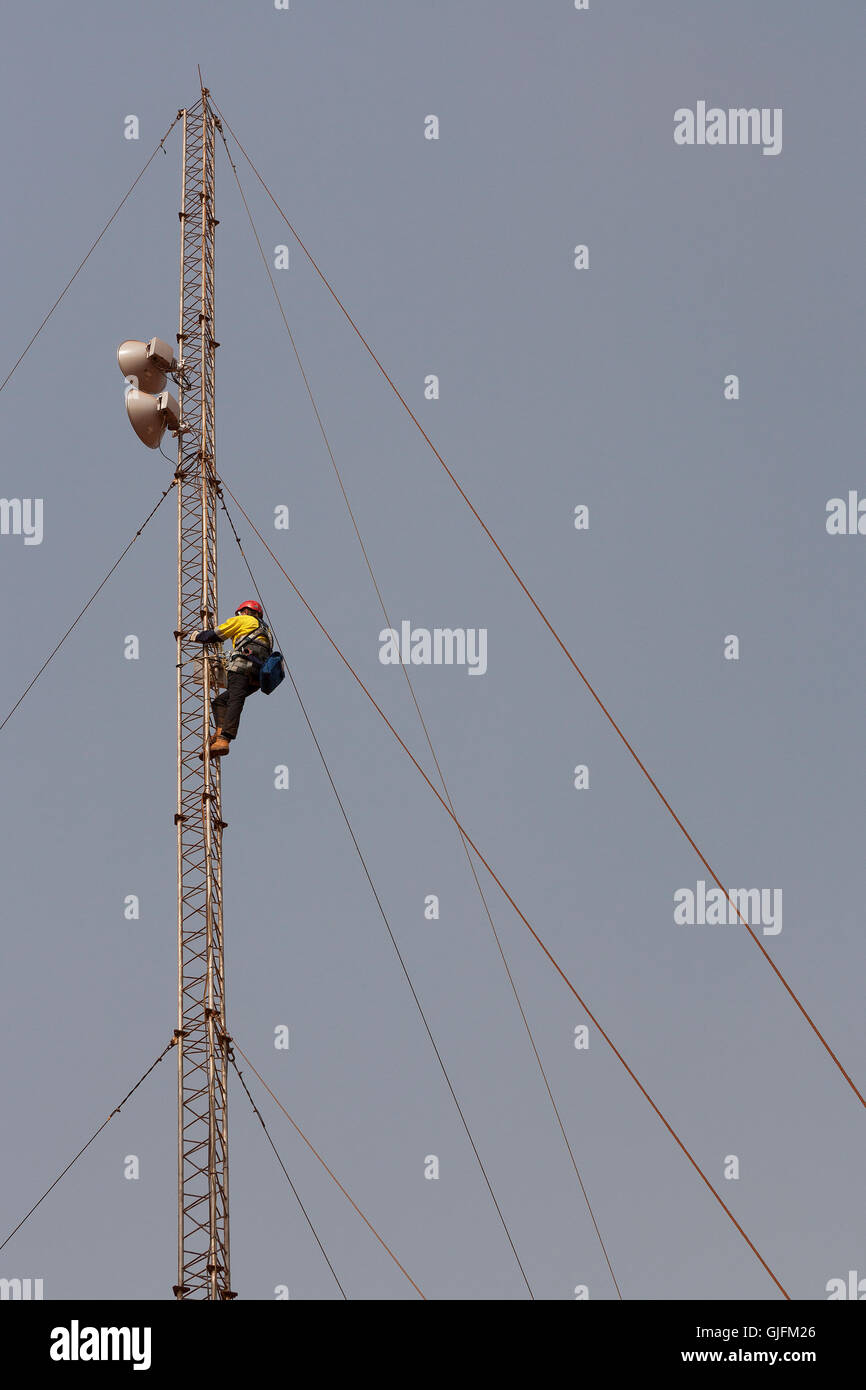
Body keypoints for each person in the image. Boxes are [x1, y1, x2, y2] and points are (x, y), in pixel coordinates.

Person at [190, 601, 273, 757]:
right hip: (258, 675)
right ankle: (220, 732)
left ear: (245, 611)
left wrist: (196, 636)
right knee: (221, 701)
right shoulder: (266, 630)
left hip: (242, 667)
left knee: (235, 699)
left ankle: (223, 739)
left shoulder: (243, 620)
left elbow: (215, 635)